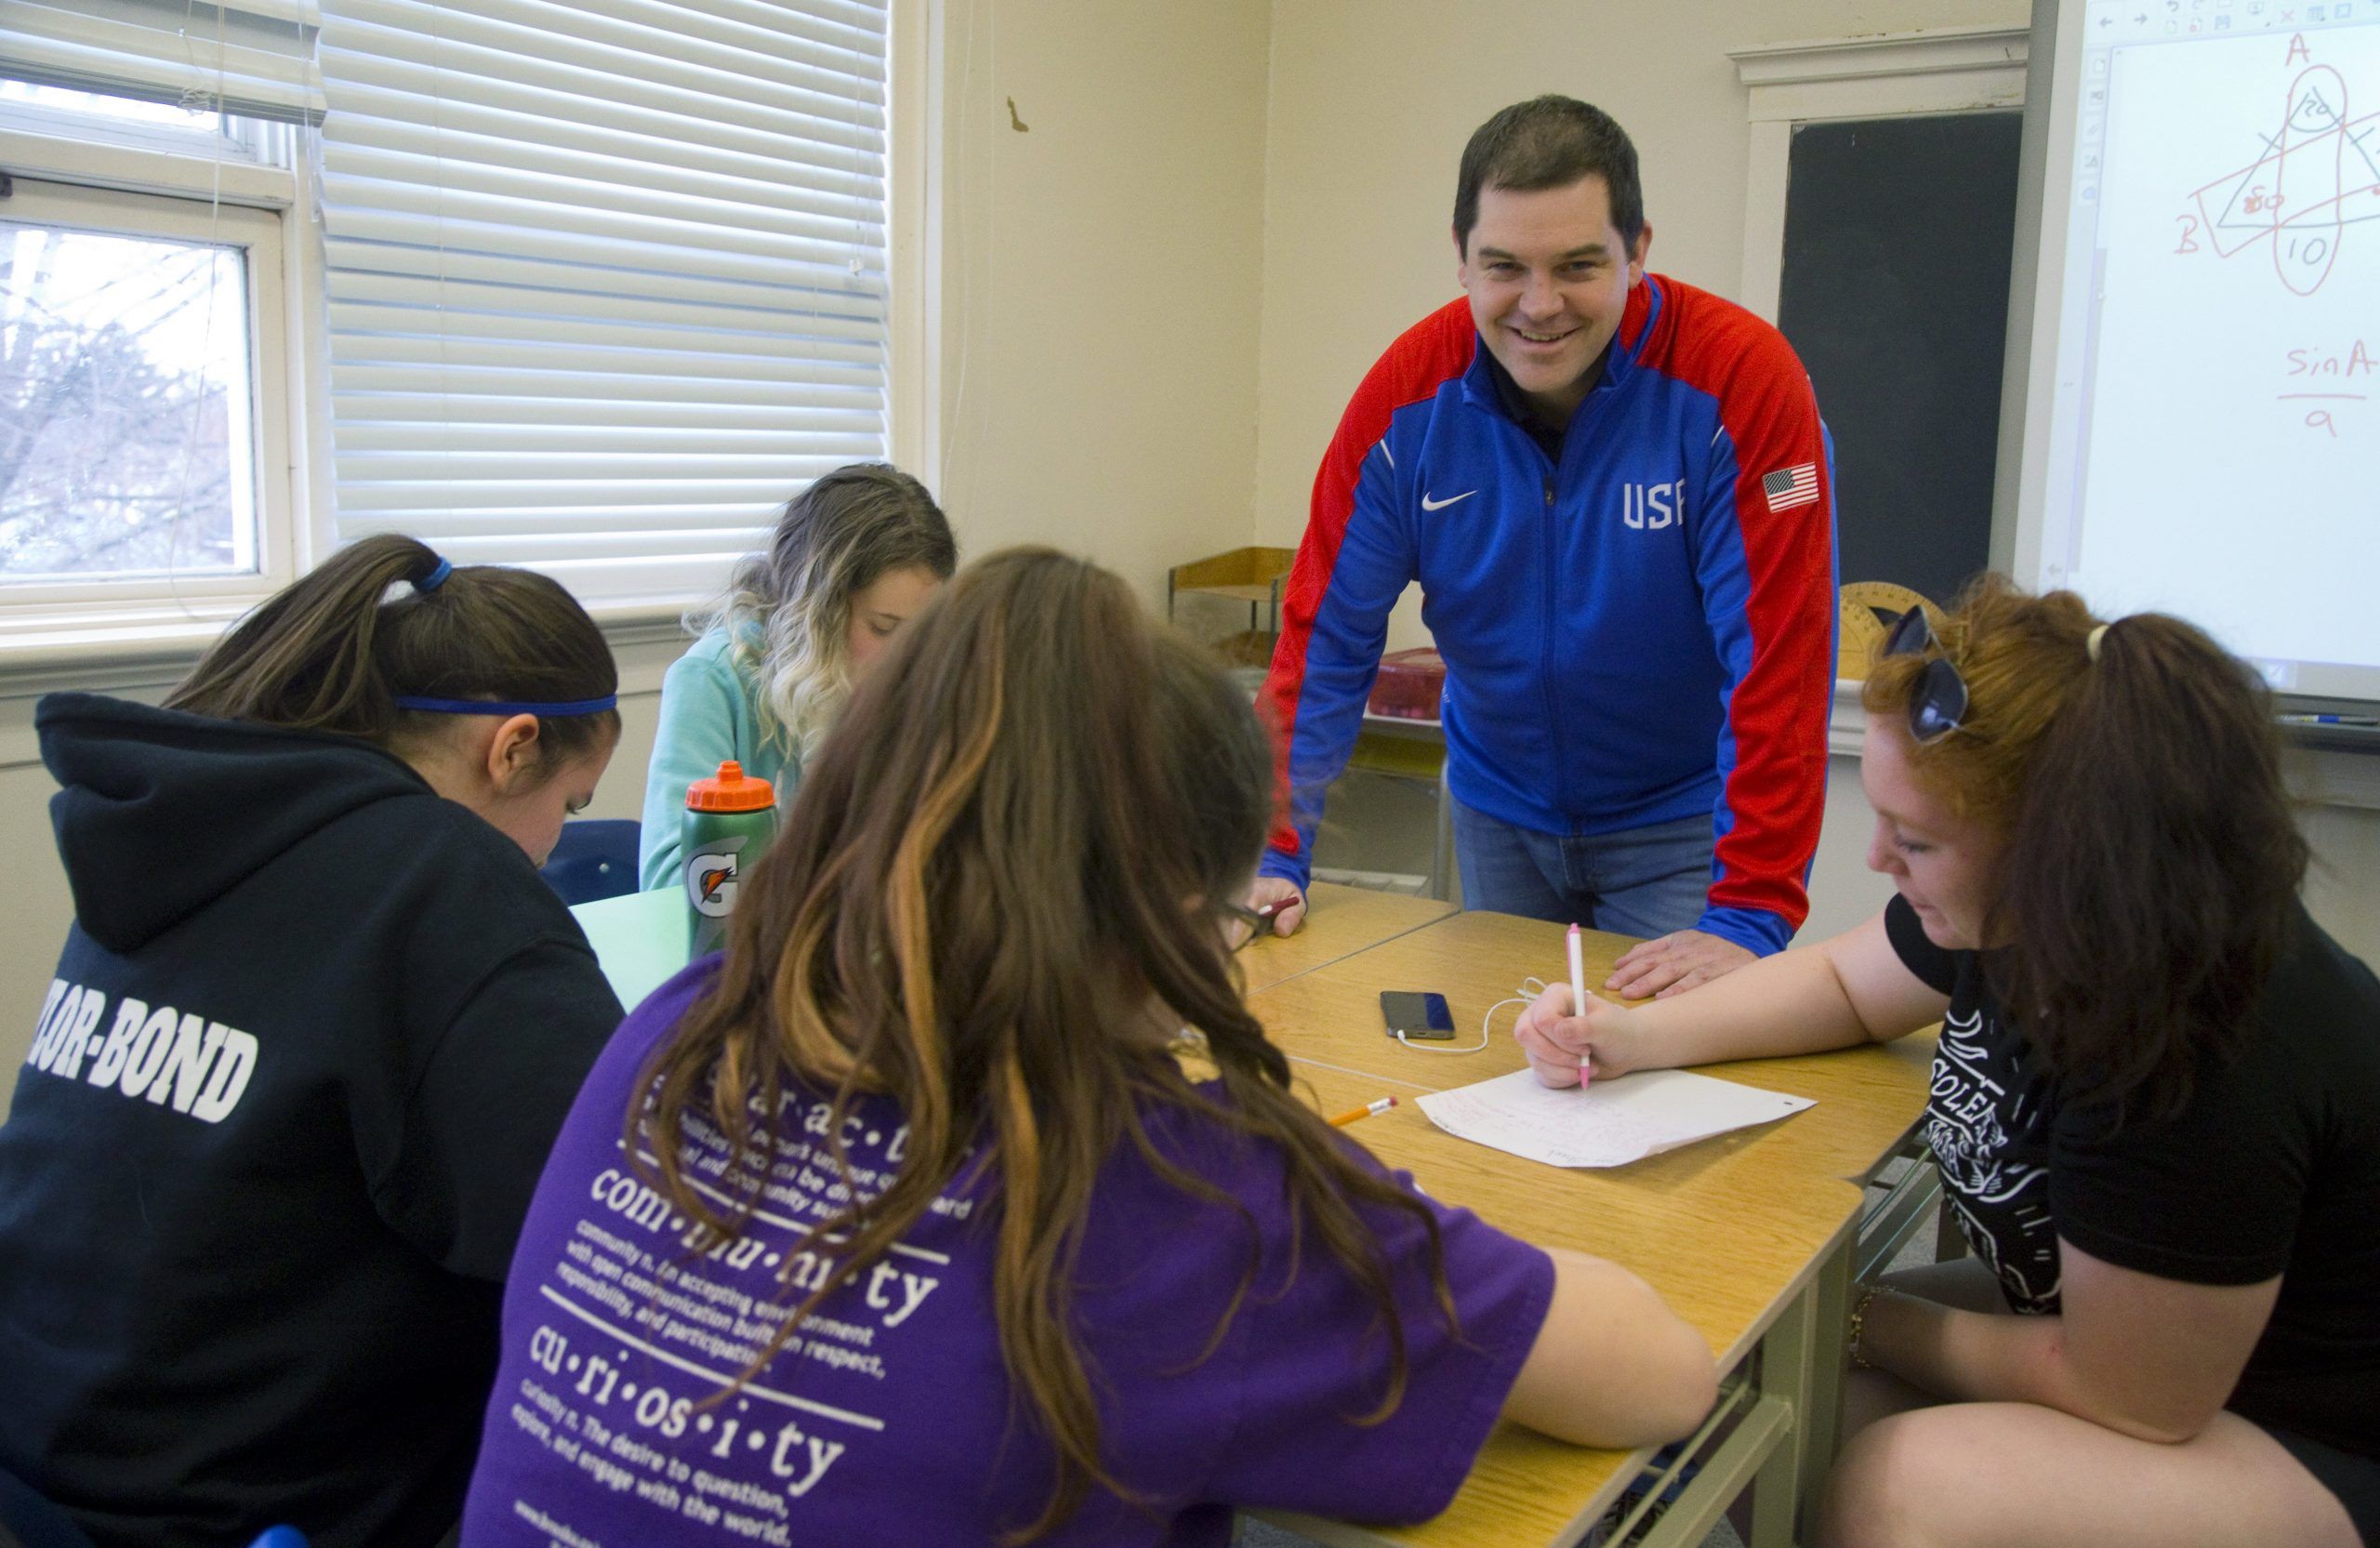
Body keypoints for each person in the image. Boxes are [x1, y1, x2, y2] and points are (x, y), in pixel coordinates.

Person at [460, 549, 1716, 1547]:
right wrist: (1377, 1215)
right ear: (1173, 916)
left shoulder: (679, 1031)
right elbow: (1661, 1374)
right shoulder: (1173, 1196)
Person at [1514, 578, 2380, 1548]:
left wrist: (1860, 1318)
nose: (1877, 857)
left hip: (2298, 1431)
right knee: (1748, 1381)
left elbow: (2132, 1401)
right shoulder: (2027, 912)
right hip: (2126, 1337)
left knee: (1899, 1486)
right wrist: (1629, 1037)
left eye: (1915, 840)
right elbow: (1846, 984)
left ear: (2061, 853)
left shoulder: (2196, 1040)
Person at [0, 535, 631, 1548]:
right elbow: (612, 1240)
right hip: (250, 1513)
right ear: (511, 748)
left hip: (45, 1466)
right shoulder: (445, 887)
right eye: (571, 803)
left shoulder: (189, 836)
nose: (557, 842)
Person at [1251, 95, 1837, 1000]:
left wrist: (1750, 910)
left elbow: (1777, 658)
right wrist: (1276, 848)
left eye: (1577, 267)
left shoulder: (1740, 386)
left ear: (1638, 249)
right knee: (1503, 1080)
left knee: (1670, 1107)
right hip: (1497, 813)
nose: (1538, 306)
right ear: (1459, 258)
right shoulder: (1405, 406)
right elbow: (1324, 636)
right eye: (1503, 268)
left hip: (1682, 831)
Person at [639, 462, 956, 891]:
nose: (908, 658)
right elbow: (672, 882)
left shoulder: (914, 684)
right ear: (816, 613)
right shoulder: (713, 681)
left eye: (923, 632)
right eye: (883, 627)